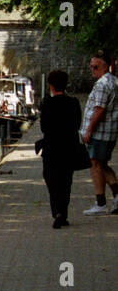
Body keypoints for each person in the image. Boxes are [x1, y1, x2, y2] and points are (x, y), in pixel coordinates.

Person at [35, 70, 81, 228]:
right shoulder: (74, 103)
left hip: (51, 148)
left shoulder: (47, 103)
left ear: (50, 85)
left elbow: (43, 127)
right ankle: (63, 212)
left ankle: (57, 212)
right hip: (69, 147)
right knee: (66, 181)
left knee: (52, 181)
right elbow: (77, 125)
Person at [80, 50, 118, 214]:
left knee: (95, 164)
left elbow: (99, 109)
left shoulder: (103, 84)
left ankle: (100, 203)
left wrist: (89, 130)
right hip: (108, 130)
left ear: (104, 67)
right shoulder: (113, 81)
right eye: (91, 66)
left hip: (100, 132)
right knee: (101, 164)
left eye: (95, 67)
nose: (92, 70)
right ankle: (115, 197)